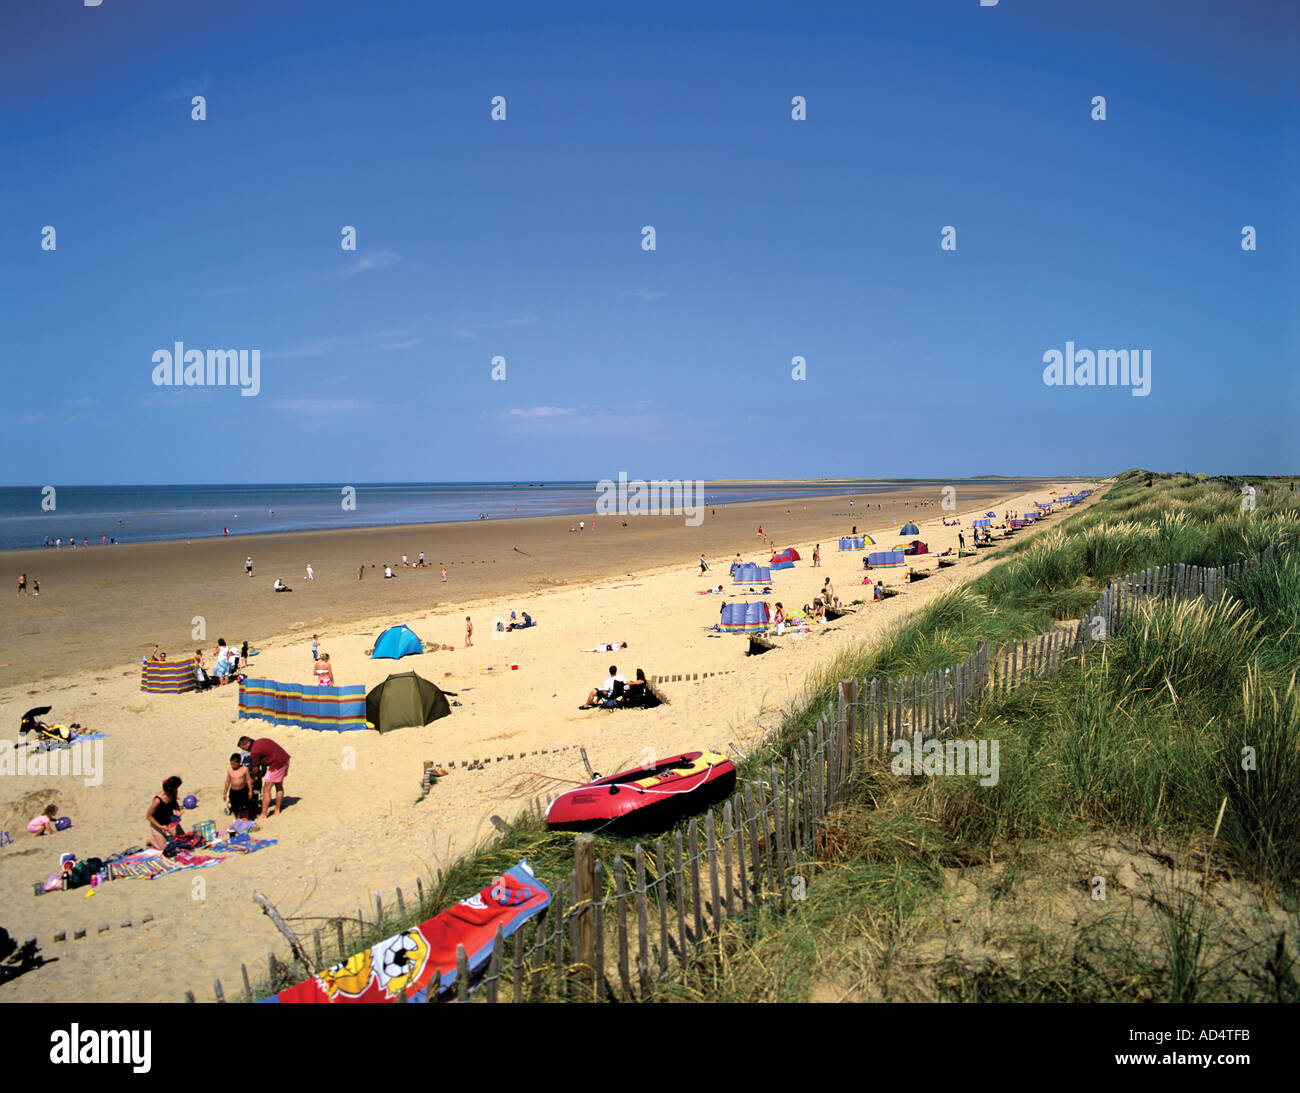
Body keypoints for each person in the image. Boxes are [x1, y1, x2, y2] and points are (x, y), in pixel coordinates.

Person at [239, 736, 291, 819]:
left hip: (277, 764)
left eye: (243, 748)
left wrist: (253, 779)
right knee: (279, 786)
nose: (244, 750)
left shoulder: (254, 751)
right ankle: (277, 810)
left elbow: (255, 769)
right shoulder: (260, 741)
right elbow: (264, 762)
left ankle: (263, 814)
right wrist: (261, 773)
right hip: (285, 759)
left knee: (266, 789)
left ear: (247, 744)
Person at [147, 776, 185, 850]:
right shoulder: (157, 801)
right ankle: (151, 840)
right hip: (158, 824)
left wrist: (177, 811)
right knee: (163, 848)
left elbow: (175, 804)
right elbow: (149, 816)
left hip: (169, 822)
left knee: (183, 840)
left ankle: (164, 837)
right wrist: (161, 827)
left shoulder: (173, 793)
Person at [223, 754, 254, 820]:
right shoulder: (229, 770)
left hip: (243, 791)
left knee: (244, 807)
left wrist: (250, 791)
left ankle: (245, 819)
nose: (233, 765)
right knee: (235, 807)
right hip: (233, 791)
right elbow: (227, 781)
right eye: (231, 764)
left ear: (239, 763)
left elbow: (248, 780)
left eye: (234, 764)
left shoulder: (244, 769)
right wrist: (225, 793)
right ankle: (237, 819)